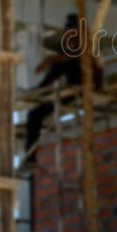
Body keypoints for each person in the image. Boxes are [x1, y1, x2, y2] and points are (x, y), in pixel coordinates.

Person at [23, 13, 103, 167]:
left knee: (63, 59)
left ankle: (42, 89)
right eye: (67, 28)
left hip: (87, 88)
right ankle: (30, 159)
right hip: (72, 90)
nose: (69, 31)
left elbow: (78, 55)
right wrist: (41, 89)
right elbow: (62, 62)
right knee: (34, 115)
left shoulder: (89, 45)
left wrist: (51, 59)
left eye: (72, 28)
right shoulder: (66, 51)